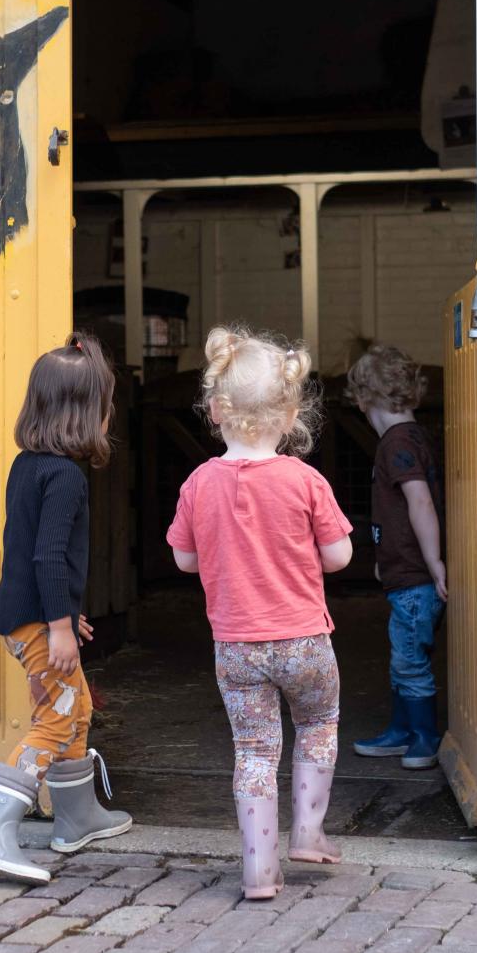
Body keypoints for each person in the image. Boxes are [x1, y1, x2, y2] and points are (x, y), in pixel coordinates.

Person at [167, 326, 354, 900]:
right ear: (291, 412)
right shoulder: (306, 480)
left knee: (253, 750)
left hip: (237, 646)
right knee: (317, 725)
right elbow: (339, 556)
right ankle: (309, 831)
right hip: (303, 641)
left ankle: (258, 870)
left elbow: (184, 561)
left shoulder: (198, 483)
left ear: (216, 410)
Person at [0, 334, 132, 883]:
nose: (110, 414)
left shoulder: (28, 465)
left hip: (27, 615)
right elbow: (49, 556)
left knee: (75, 709)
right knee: (56, 719)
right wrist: (59, 628)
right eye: (105, 403)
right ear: (85, 414)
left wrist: (63, 615)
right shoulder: (65, 478)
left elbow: (30, 553)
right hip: (38, 623)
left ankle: (77, 817)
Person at [345, 345, 448, 770]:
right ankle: (402, 731)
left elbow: (419, 503)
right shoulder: (415, 436)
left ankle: (424, 736)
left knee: (409, 659)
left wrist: (434, 561)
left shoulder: (395, 445)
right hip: (405, 572)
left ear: (366, 400)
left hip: (415, 578)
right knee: (402, 657)